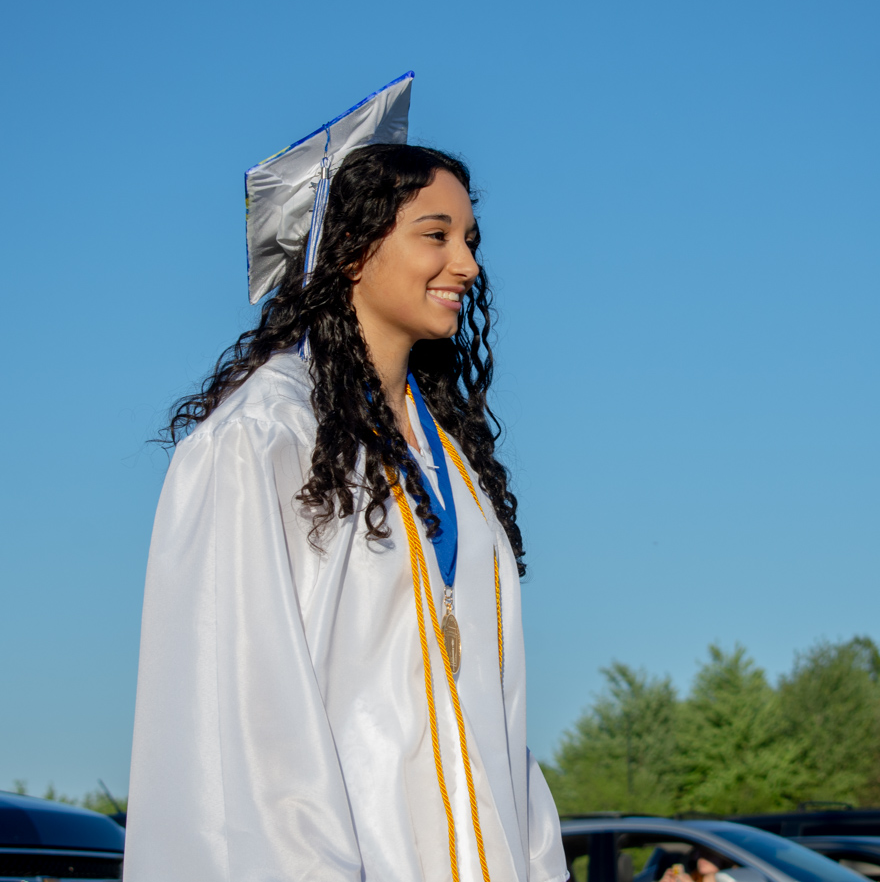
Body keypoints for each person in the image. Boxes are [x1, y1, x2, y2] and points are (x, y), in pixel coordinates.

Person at [123, 75, 567, 882]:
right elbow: (246, 721)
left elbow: (502, 726)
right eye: (437, 235)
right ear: (354, 247)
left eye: (471, 237)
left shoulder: (453, 467)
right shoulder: (264, 438)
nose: (466, 263)